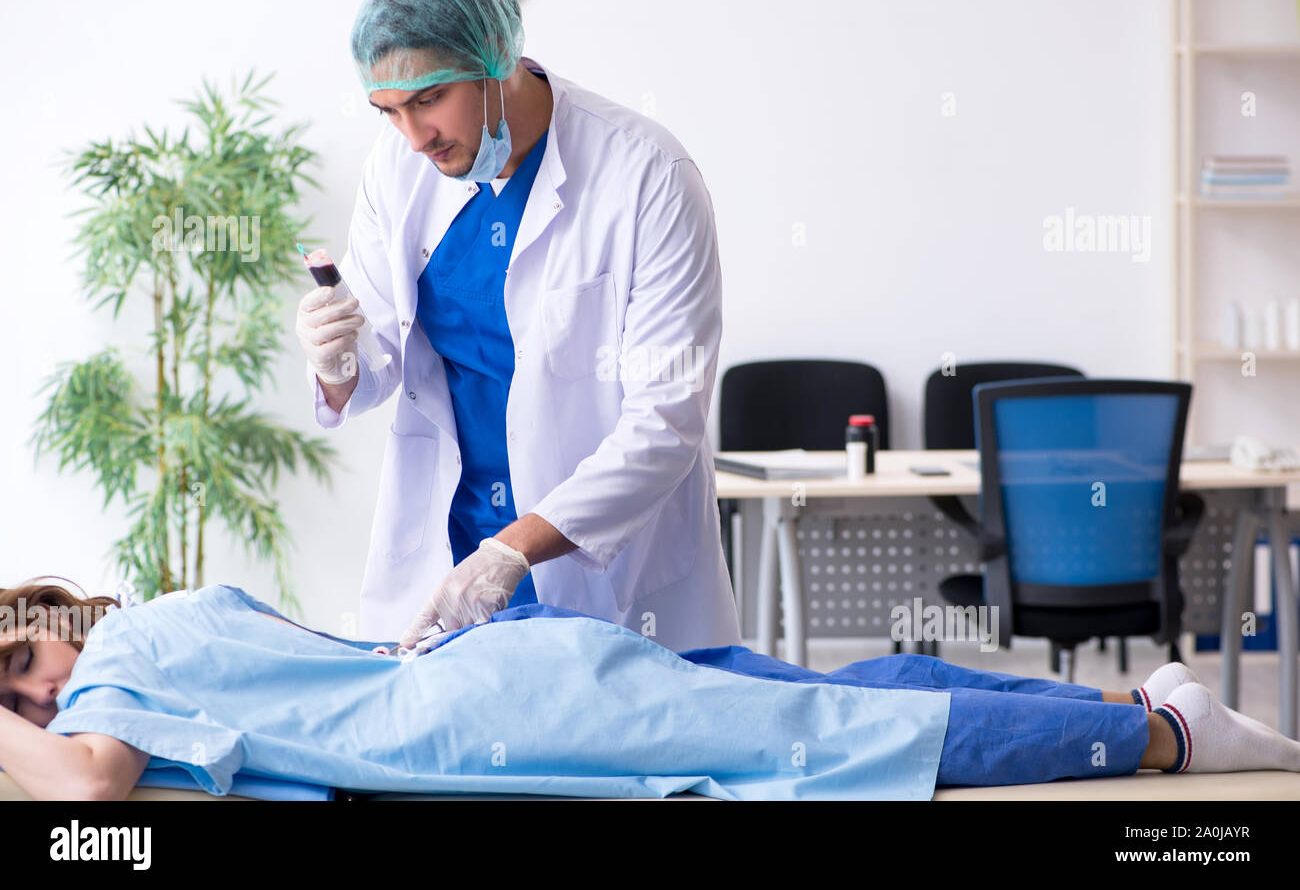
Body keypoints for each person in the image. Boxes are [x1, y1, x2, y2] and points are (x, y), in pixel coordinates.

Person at [294, 0, 740, 653]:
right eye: (390, 111)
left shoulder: (649, 175)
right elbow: (378, 357)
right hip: (450, 565)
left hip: (599, 569)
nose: (414, 137)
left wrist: (515, 549)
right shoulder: (397, 168)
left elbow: (663, 424)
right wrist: (335, 361)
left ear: (496, 61)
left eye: (429, 99)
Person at [4, 578, 1299, 801]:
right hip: (524, 671)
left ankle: (1170, 741)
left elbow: (90, 788)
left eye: (21, 666)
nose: (40, 699)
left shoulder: (114, 665)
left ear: (53, 621)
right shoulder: (179, 616)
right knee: (821, 691)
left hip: (514, 710)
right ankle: (1138, 704)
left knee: (838, 736)